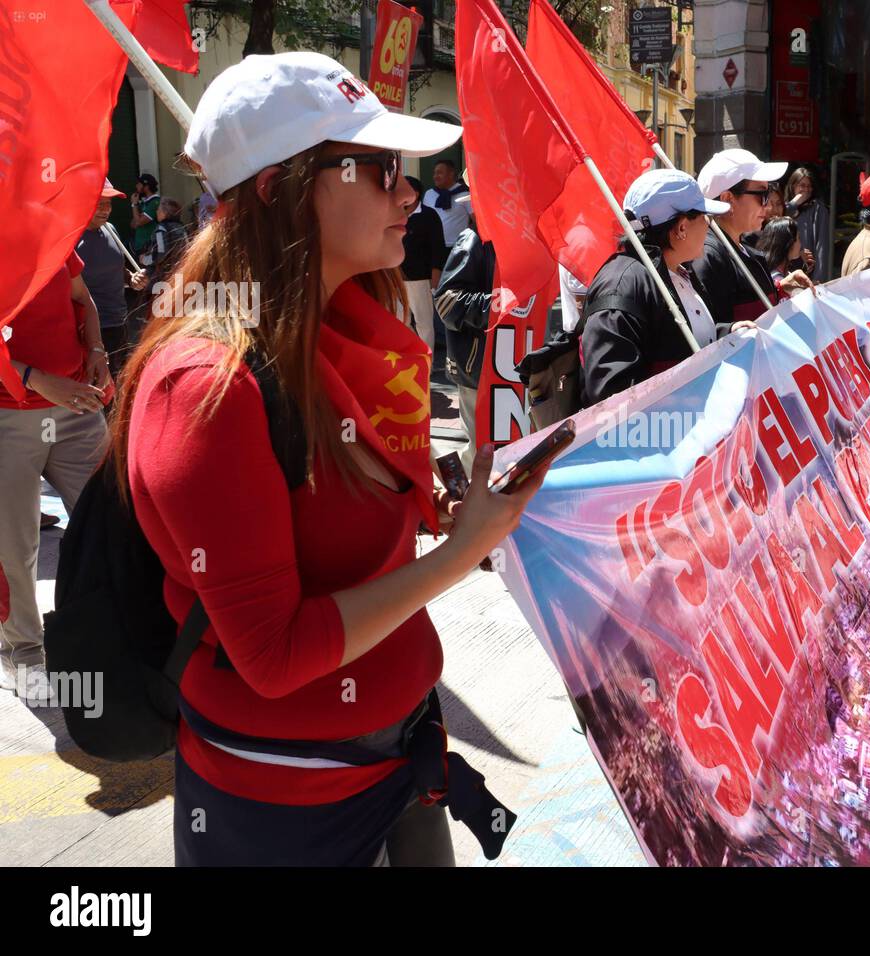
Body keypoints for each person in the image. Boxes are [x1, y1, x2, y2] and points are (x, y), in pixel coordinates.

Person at [111, 51, 541, 866]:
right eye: (378, 169)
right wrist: (461, 553)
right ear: (278, 189)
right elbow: (271, 656)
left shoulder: (345, 338)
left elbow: (343, 538)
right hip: (286, 804)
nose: (408, 192)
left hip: (398, 755)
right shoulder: (205, 385)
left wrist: (440, 514)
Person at [0, 251, 111, 701]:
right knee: (14, 544)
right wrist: (36, 379)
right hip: (8, 415)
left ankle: (113, 637)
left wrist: (99, 350)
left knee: (111, 524)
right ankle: (23, 653)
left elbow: (84, 301)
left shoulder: (54, 236)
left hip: (76, 409)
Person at [581, 168, 733, 405]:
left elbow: (680, 340)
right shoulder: (622, 285)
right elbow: (611, 392)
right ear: (682, 227)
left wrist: (728, 333)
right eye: (704, 217)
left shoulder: (678, 272)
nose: (709, 226)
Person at [693, 148, 814, 326]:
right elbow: (711, 337)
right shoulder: (708, 256)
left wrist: (780, 289)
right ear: (728, 199)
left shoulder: (745, 250)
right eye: (763, 195)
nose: (767, 206)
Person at [433, 191, 493, 473]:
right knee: (479, 446)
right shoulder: (472, 240)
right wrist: (495, 304)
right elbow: (446, 301)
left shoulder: (498, 242)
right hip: (477, 363)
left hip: (497, 360)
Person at [77, 178, 148, 378]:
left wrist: (132, 279)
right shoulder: (71, 239)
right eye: (99, 203)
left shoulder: (111, 229)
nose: (106, 209)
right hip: (90, 331)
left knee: (120, 383)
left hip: (119, 323)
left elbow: (118, 270)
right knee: (98, 386)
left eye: (108, 204)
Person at [399, 174, 447, 354]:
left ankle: (428, 362)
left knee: (424, 322)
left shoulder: (429, 215)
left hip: (420, 278)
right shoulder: (395, 213)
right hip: (396, 278)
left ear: (416, 193)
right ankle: (410, 356)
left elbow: (437, 248)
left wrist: (435, 278)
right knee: (399, 321)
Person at [785, 166, 831, 282]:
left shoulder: (818, 209)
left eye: (809, 186)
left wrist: (819, 280)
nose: (807, 189)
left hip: (808, 274)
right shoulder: (784, 206)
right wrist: (794, 204)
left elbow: (822, 245)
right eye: (802, 185)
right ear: (792, 186)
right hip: (786, 272)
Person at [423, 160, 470, 257]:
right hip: (433, 246)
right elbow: (424, 220)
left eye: (439, 173)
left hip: (458, 247)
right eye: (434, 173)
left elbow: (476, 220)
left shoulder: (465, 195)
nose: (435, 176)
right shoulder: (429, 194)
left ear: (451, 174)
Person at [753, 216, 805, 292]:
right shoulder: (774, 279)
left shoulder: (780, 273)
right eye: (798, 238)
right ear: (788, 242)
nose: (800, 243)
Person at [129, 172, 161, 261]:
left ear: (146, 187)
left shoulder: (155, 202)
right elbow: (133, 224)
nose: (136, 186)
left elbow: (139, 222)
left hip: (149, 247)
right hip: (139, 245)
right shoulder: (144, 202)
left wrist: (134, 204)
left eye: (139, 184)